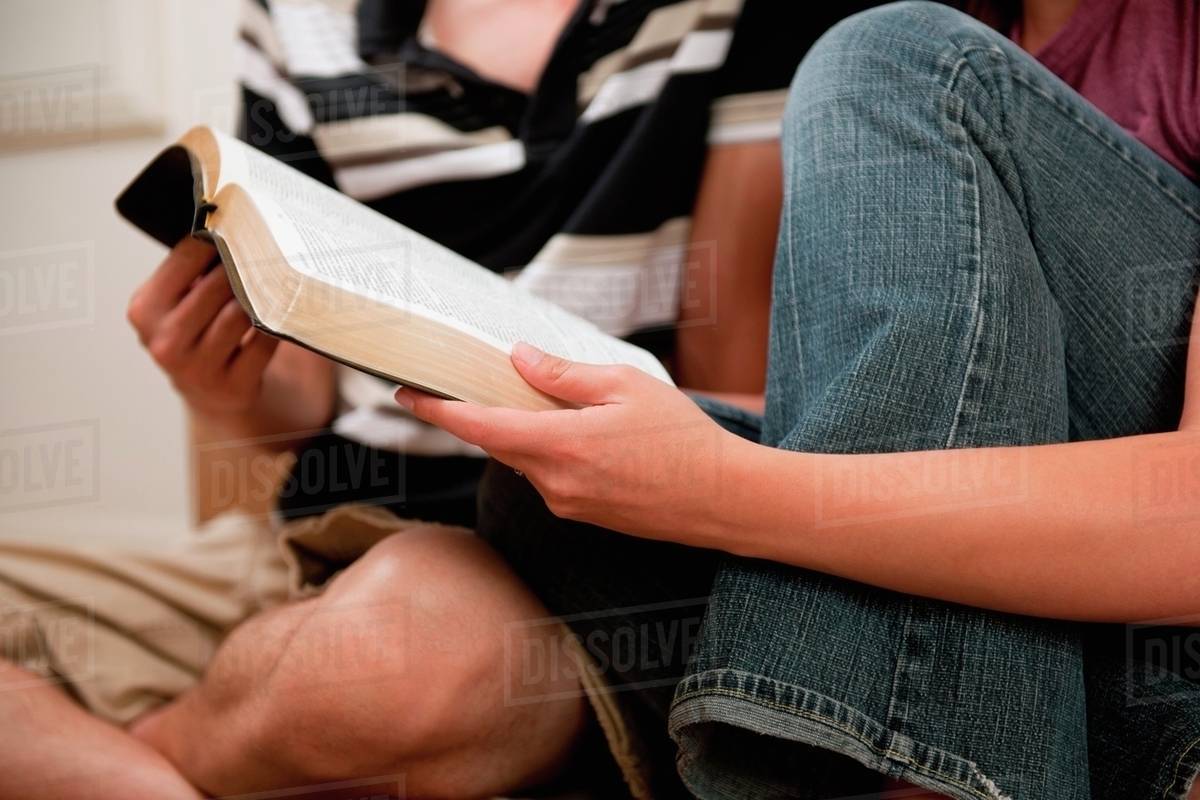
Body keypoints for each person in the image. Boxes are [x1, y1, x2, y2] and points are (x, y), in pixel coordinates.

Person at [392, 1, 1200, 799]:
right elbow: (866, 403)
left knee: (895, 55)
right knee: (549, 495)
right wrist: (616, 425)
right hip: (1098, 621)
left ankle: (915, 774)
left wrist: (719, 491)